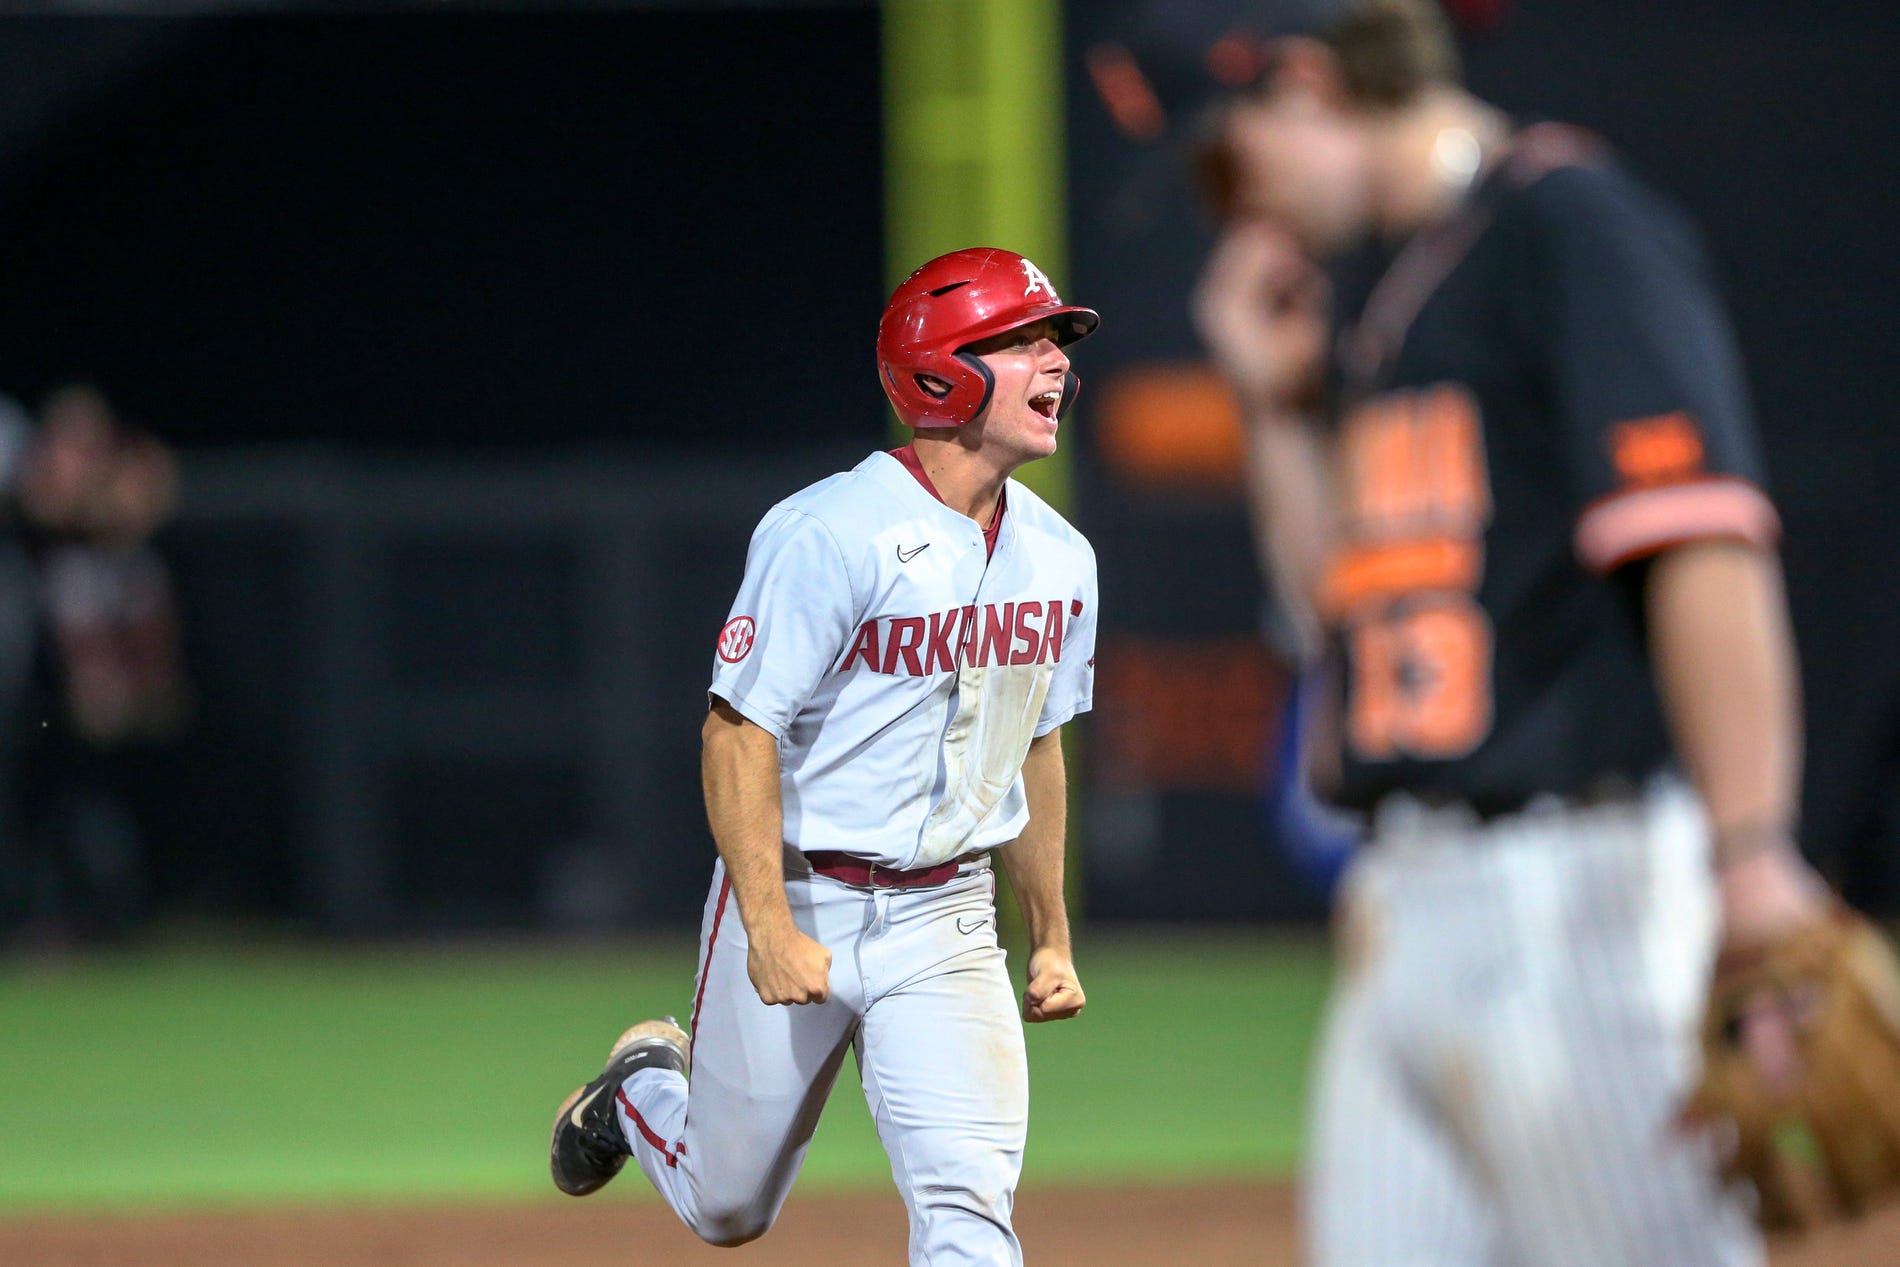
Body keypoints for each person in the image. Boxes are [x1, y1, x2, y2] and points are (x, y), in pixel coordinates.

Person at [1189, 3, 1830, 1264]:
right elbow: (1344, 608)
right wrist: (1273, 407)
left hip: (1573, 891)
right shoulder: (1391, 293)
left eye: (1232, 162)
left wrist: (1750, 852)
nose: (1238, 211)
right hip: (1402, 899)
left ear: (1307, 85)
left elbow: (1698, 539)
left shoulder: (1567, 222)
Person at [549, 247, 1099, 1264]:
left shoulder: (1062, 558)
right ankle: (641, 1092)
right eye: (1023, 341)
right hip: (804, 891)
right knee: (727, 1205)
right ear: (940, 371)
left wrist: (1051, 934)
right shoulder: (829, 531)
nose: (1057, 362)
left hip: (947, 917)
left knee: (968, 1207)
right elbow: (736, 732)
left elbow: (1035, 743)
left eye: (1056, 340)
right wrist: (766, 925)